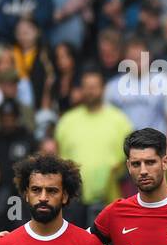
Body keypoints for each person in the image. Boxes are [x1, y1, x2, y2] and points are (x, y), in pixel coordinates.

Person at [53, 67, 134, 208]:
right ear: (81, 90)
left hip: (112, 199)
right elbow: (58, 157)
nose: (90, 91)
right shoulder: (66, 121)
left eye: (94, 87)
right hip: (74, 200)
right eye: (86, 87)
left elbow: (132, 158)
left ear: (103, 89)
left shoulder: (120, 120)